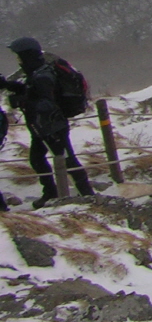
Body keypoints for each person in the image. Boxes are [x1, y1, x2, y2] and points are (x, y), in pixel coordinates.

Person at [3, 37, 93, 206]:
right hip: (43, 126)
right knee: (38, 159)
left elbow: (46, 102)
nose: (18, 60)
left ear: (27, 55)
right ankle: (51, 194)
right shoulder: (37, 71)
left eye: (19, 56)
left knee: (68, 160)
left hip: (53, 126)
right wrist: (10, 85)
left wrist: (21, 101)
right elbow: (32, 90)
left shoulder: (42, 75)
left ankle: (88, 195)